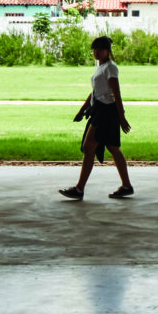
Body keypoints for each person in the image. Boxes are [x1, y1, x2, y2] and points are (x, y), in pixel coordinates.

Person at [61, 35, 134, 200]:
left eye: (100, 49)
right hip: (99, 111)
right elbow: (96, 91)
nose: (96, 52)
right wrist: (82, 110)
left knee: (92, 147)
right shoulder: (100, 67)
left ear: (107, 51)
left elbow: (116, 93)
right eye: (94, 49)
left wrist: (122, 117)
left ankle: (80, 189)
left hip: (107, 112)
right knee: (107, 148)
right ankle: (126, 186)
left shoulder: (110, 68)